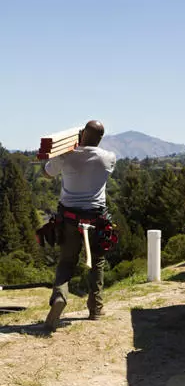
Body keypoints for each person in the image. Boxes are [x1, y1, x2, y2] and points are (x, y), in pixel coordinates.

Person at [42, 120, 117, 331]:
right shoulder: (108, 158)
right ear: (100, 138)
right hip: (96, 218)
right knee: (97, 261)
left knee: (66, 262)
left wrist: (67, 149)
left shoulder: (66, 156)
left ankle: (59, 297)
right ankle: (96, 308)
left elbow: (47, 173)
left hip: (69, 218)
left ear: (82, 134)